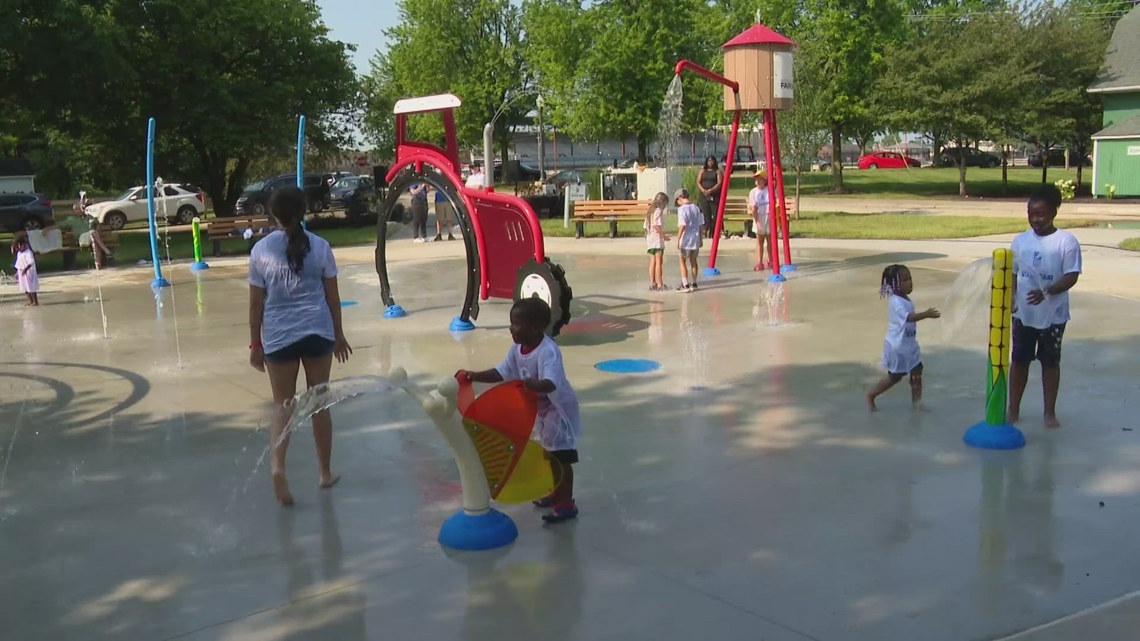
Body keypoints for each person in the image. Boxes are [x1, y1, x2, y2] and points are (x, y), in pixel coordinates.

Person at [248, 186, 353, 506]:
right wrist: (339, 334)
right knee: (320, 401)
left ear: (273, 213)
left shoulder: (261, 251)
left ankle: (278, 466)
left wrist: (255, 343)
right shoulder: (320, 247)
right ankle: (324, 472)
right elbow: (333, 299)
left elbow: (256, 305)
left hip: (279, 337)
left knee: (283, 405)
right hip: (317, 333)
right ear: (303, 211)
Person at [459, 298, 581, 523]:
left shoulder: (548, 352)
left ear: (535, 327)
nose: (510, 329)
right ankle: (554, 492)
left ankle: (565, 503)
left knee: (561, 456)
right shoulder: (517, 350)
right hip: (541, 411)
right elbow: (502, 372)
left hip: (559, 411)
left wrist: (531, 385)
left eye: (515, 324)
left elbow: (550, 383)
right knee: (547, 455)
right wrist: (475, 375)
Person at [1008, 184, 1081, 428]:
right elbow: (1012, 273)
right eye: (1031, 214)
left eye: (1040, 214)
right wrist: (1011, 297)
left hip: (1053, 316)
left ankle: (1049, 412)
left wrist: (1047, 292)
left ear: (1053, 213)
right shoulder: (1020, 241)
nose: (1035, 219)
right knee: (1019, 361)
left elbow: (1071, 275)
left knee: (1050, 362)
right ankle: (1013, 409)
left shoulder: (1066, 242)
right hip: (1024, 315)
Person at [866, 264, 940, 411]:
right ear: (894, 285)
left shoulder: (904, 299)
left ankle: (917, 403)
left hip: (909, 343)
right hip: (898, 346)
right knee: (895, 377)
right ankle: (872, 394)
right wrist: (926, 314)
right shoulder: (897, 302)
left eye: (910, 278)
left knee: (917, 369)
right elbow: (909, 318)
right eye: (905, 280)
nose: (910, 282)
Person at [674, 188, 703, 292]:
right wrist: (701, 238)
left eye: (677, 201)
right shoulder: (696, 207)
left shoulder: (682, 209)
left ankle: (685, 285)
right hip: (695, 239)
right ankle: (694, 283)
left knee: (682, 261)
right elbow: (700, 224)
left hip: (686, 239)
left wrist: (677, 240)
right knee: (693, 261)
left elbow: (682, 225)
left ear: (679, 198)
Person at [644, 192, 669, 291]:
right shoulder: (658, 211)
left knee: (652, 262)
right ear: (662, 202)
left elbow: (646, 226)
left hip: (650, 238)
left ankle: (652, 283)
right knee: (659, 262)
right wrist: (663, 236)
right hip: (657, 239)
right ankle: (660, 284)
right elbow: (656, 225)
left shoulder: (650, 210)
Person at [696, 156, 724, 239]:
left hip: (714, 196)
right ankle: (705, 231)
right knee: (705, 214)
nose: (710, 163)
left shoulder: (717, 171)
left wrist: (711, 190)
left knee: (716, 214)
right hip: (704, 196)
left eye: (712, 161)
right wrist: (703, 190)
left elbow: (719, 183)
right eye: (709, 161)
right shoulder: (702, 171)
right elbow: (698, 181)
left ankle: (719, 231)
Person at [749, 170, 772, 271]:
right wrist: (757, 221)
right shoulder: (753, 192)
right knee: (760, 241)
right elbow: (753, 208)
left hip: (769, 217)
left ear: (764, 180)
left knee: (770, 241)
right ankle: (759, 262)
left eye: (760, 179)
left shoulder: (769, 190)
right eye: (756, 179)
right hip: (759, 217)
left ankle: (771, 260)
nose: (757, 181)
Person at [13, 237, 39, 306]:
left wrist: (25, 269)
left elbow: (31, 262)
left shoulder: (28, 252)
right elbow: (18, 264)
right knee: (25, 287)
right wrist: (17, 273)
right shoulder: (19, 253)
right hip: (22, 273)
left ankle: (35, 301)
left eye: (18, 247)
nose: (18, 249)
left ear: (23, 245)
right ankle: (30, 301)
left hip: (30, 272)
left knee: (31, 287)